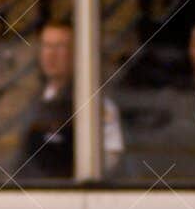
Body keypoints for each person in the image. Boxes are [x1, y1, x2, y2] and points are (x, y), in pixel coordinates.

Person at [19, 20, 123, 179]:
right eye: (46, 46)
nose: (51, 54)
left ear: (76, 53)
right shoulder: (34, 103)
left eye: (60, 47)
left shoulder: (96, 104)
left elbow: (109, 160)